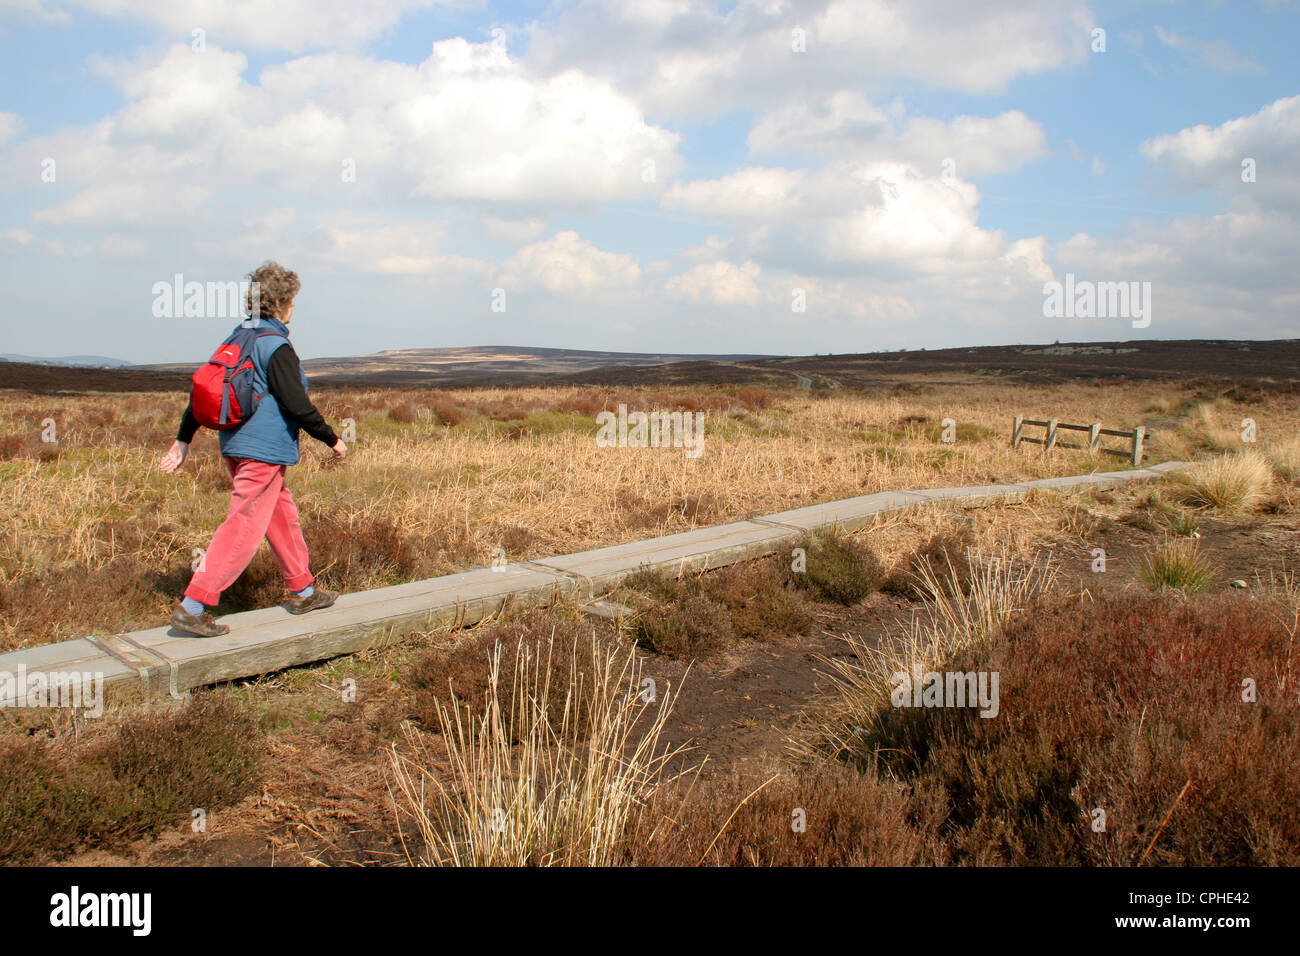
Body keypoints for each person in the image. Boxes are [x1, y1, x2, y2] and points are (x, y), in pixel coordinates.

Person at [158, 261, 346, 637]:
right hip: (264, 451)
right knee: (244, 524)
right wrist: (332, 438)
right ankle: (195, 604)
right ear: (282, 302)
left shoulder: (236, 338)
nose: (295, 307)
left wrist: (184, 439)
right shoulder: (276, 346)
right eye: (292, 300)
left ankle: (303, 589)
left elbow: (204, 390)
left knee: (280, 514)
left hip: (236, 446)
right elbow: (297, 403)